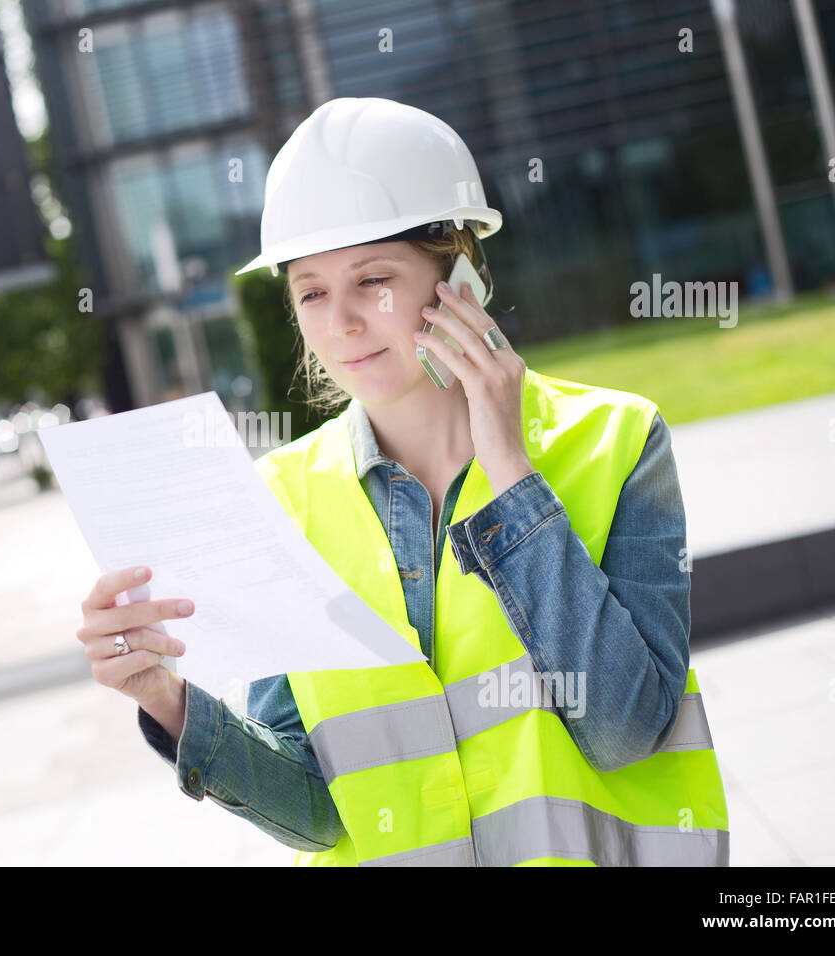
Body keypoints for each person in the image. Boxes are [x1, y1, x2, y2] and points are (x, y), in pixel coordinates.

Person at [75, 97, 728, 866]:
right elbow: (321, 812)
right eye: (311, 291)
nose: (341, 323)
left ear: (459, 278)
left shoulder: (615, 440)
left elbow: (626, 728)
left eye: (373, 281)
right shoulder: (282, 497)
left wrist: (511, 476)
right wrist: (167, 700)